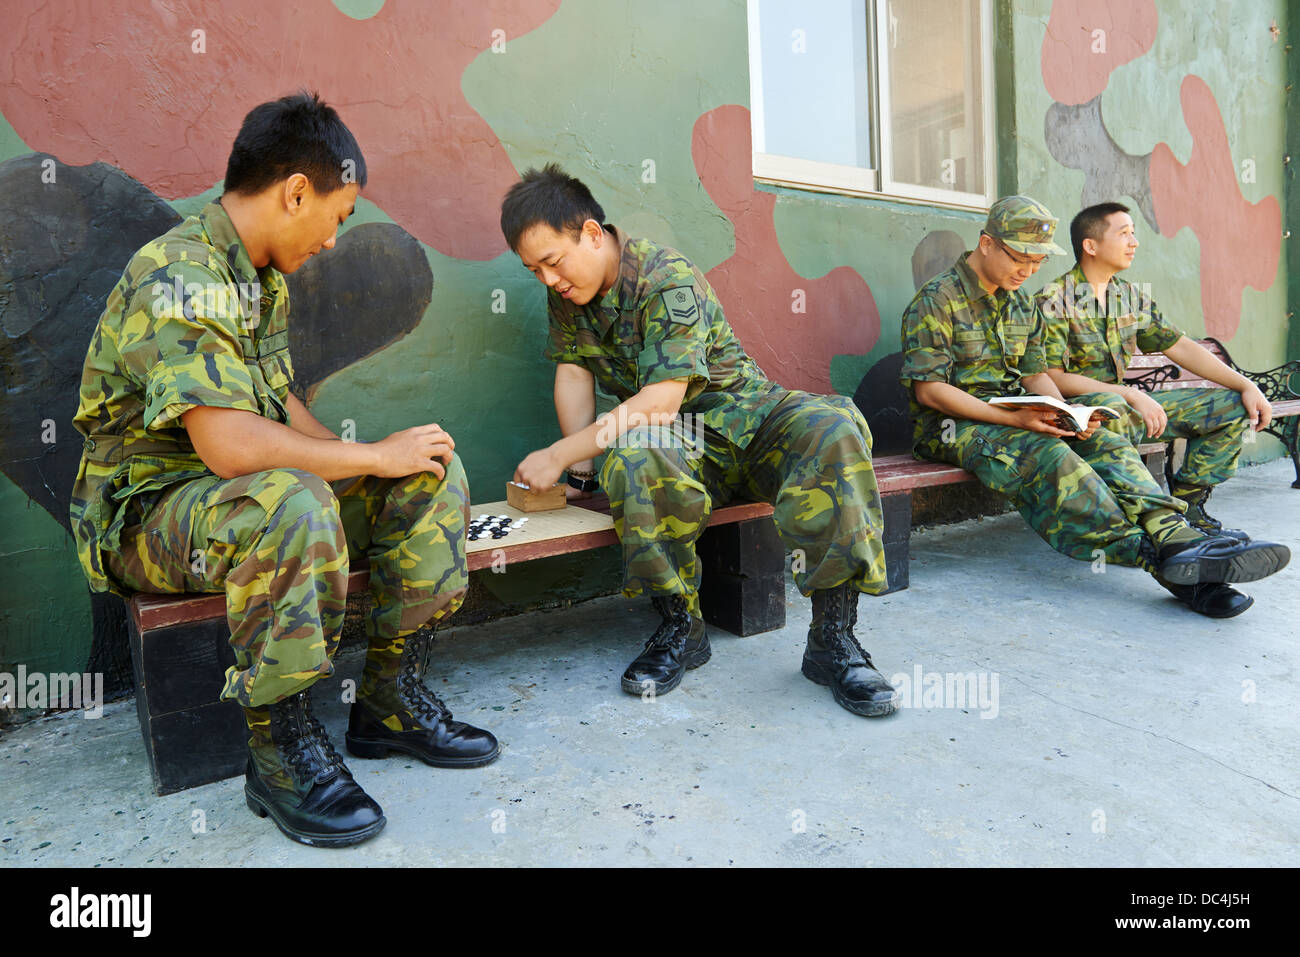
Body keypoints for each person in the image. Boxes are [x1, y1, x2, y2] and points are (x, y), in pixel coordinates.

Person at [69, 92, 497, 848]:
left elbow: (280, 408)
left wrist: (378, 468)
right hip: (147, 515)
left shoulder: (257, 277)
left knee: (428, 471)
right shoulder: (180, 272)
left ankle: (391, 700)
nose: (335, 240)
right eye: (339, 215)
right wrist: (363, 455)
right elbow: (232, 445)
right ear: (297, 190)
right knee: (292, 503)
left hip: (233, 499)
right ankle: (280, 750)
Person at [499, 164, 897, 717]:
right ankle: (680, 627)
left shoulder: (664, 276)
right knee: (637, 451)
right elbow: (573, 373)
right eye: (533, 270)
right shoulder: (568, 297)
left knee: (832, 426)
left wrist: (557, 454)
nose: (548, 280)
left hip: (753, 420)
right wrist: (581, 473)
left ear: (591, 234)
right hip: (685, 442)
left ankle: (834, 638)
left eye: (552, 262)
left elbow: (661, 398)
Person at [898, 195, 1289, 616]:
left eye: (1037, 262)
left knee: (1098, 438)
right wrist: (1020, 420)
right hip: (956, 425)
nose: (1028, 271)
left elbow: (1034, 375)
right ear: (987, 243)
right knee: (1048, 454)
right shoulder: (936, 299)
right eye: (1019, 258)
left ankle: (1175, 534)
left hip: (1017, 415)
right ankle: (1160, 559)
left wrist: (1065, 413)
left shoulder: (1020, 303)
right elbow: (930, 391)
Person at [1036, 202, 1280, 616]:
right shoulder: (1055, 299)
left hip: (1126, 407)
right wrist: (1127, 393)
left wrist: (1245, 384)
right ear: (1090, 245)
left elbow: (1180, 346)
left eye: (1134, 233)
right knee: (1111, 402)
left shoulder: (1129, 296)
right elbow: (1050, 375)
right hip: (1083, 415)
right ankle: (1171, 537)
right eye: (1124, 233)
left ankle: (1191, 511)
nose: (1134, 242)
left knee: (1229, 406)